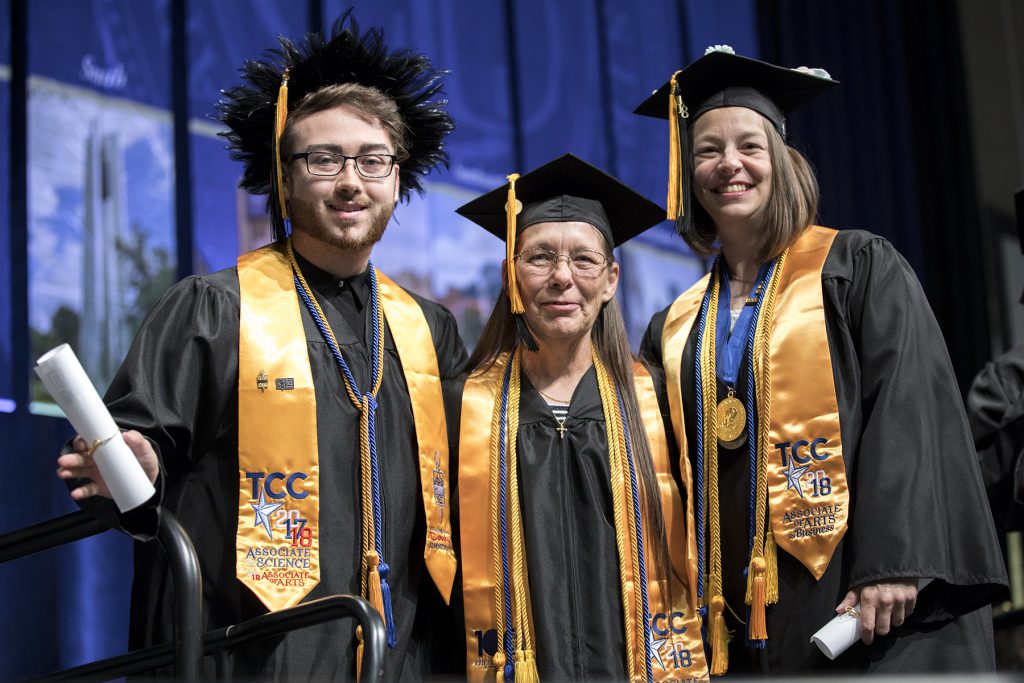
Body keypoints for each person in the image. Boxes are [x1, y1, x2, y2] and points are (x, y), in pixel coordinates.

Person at [54, 13, 465, 680]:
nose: (350, 181)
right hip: (247, 655)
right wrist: (135, 464)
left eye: (371, 159)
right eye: (323, 158)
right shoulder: (213, 308)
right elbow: (136, 448)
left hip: (400, 658)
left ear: (398, 177)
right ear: (283, 175)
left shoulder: (428, 329)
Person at [635, 46, 1008, 675]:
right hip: (733, 619)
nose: (729, 164)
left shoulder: (858, 268)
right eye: (707, 150)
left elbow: (909, 407)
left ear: (782, 160)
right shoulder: (674, 325)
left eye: (749, 146)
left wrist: (895, 562)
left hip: (857, 597)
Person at [449, 153, 709, 682]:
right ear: (509, 275)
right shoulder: (462, 408)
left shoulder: (659, 401)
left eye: (584, 260)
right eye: (539, 258)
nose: (562, 277)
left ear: (611, 279)